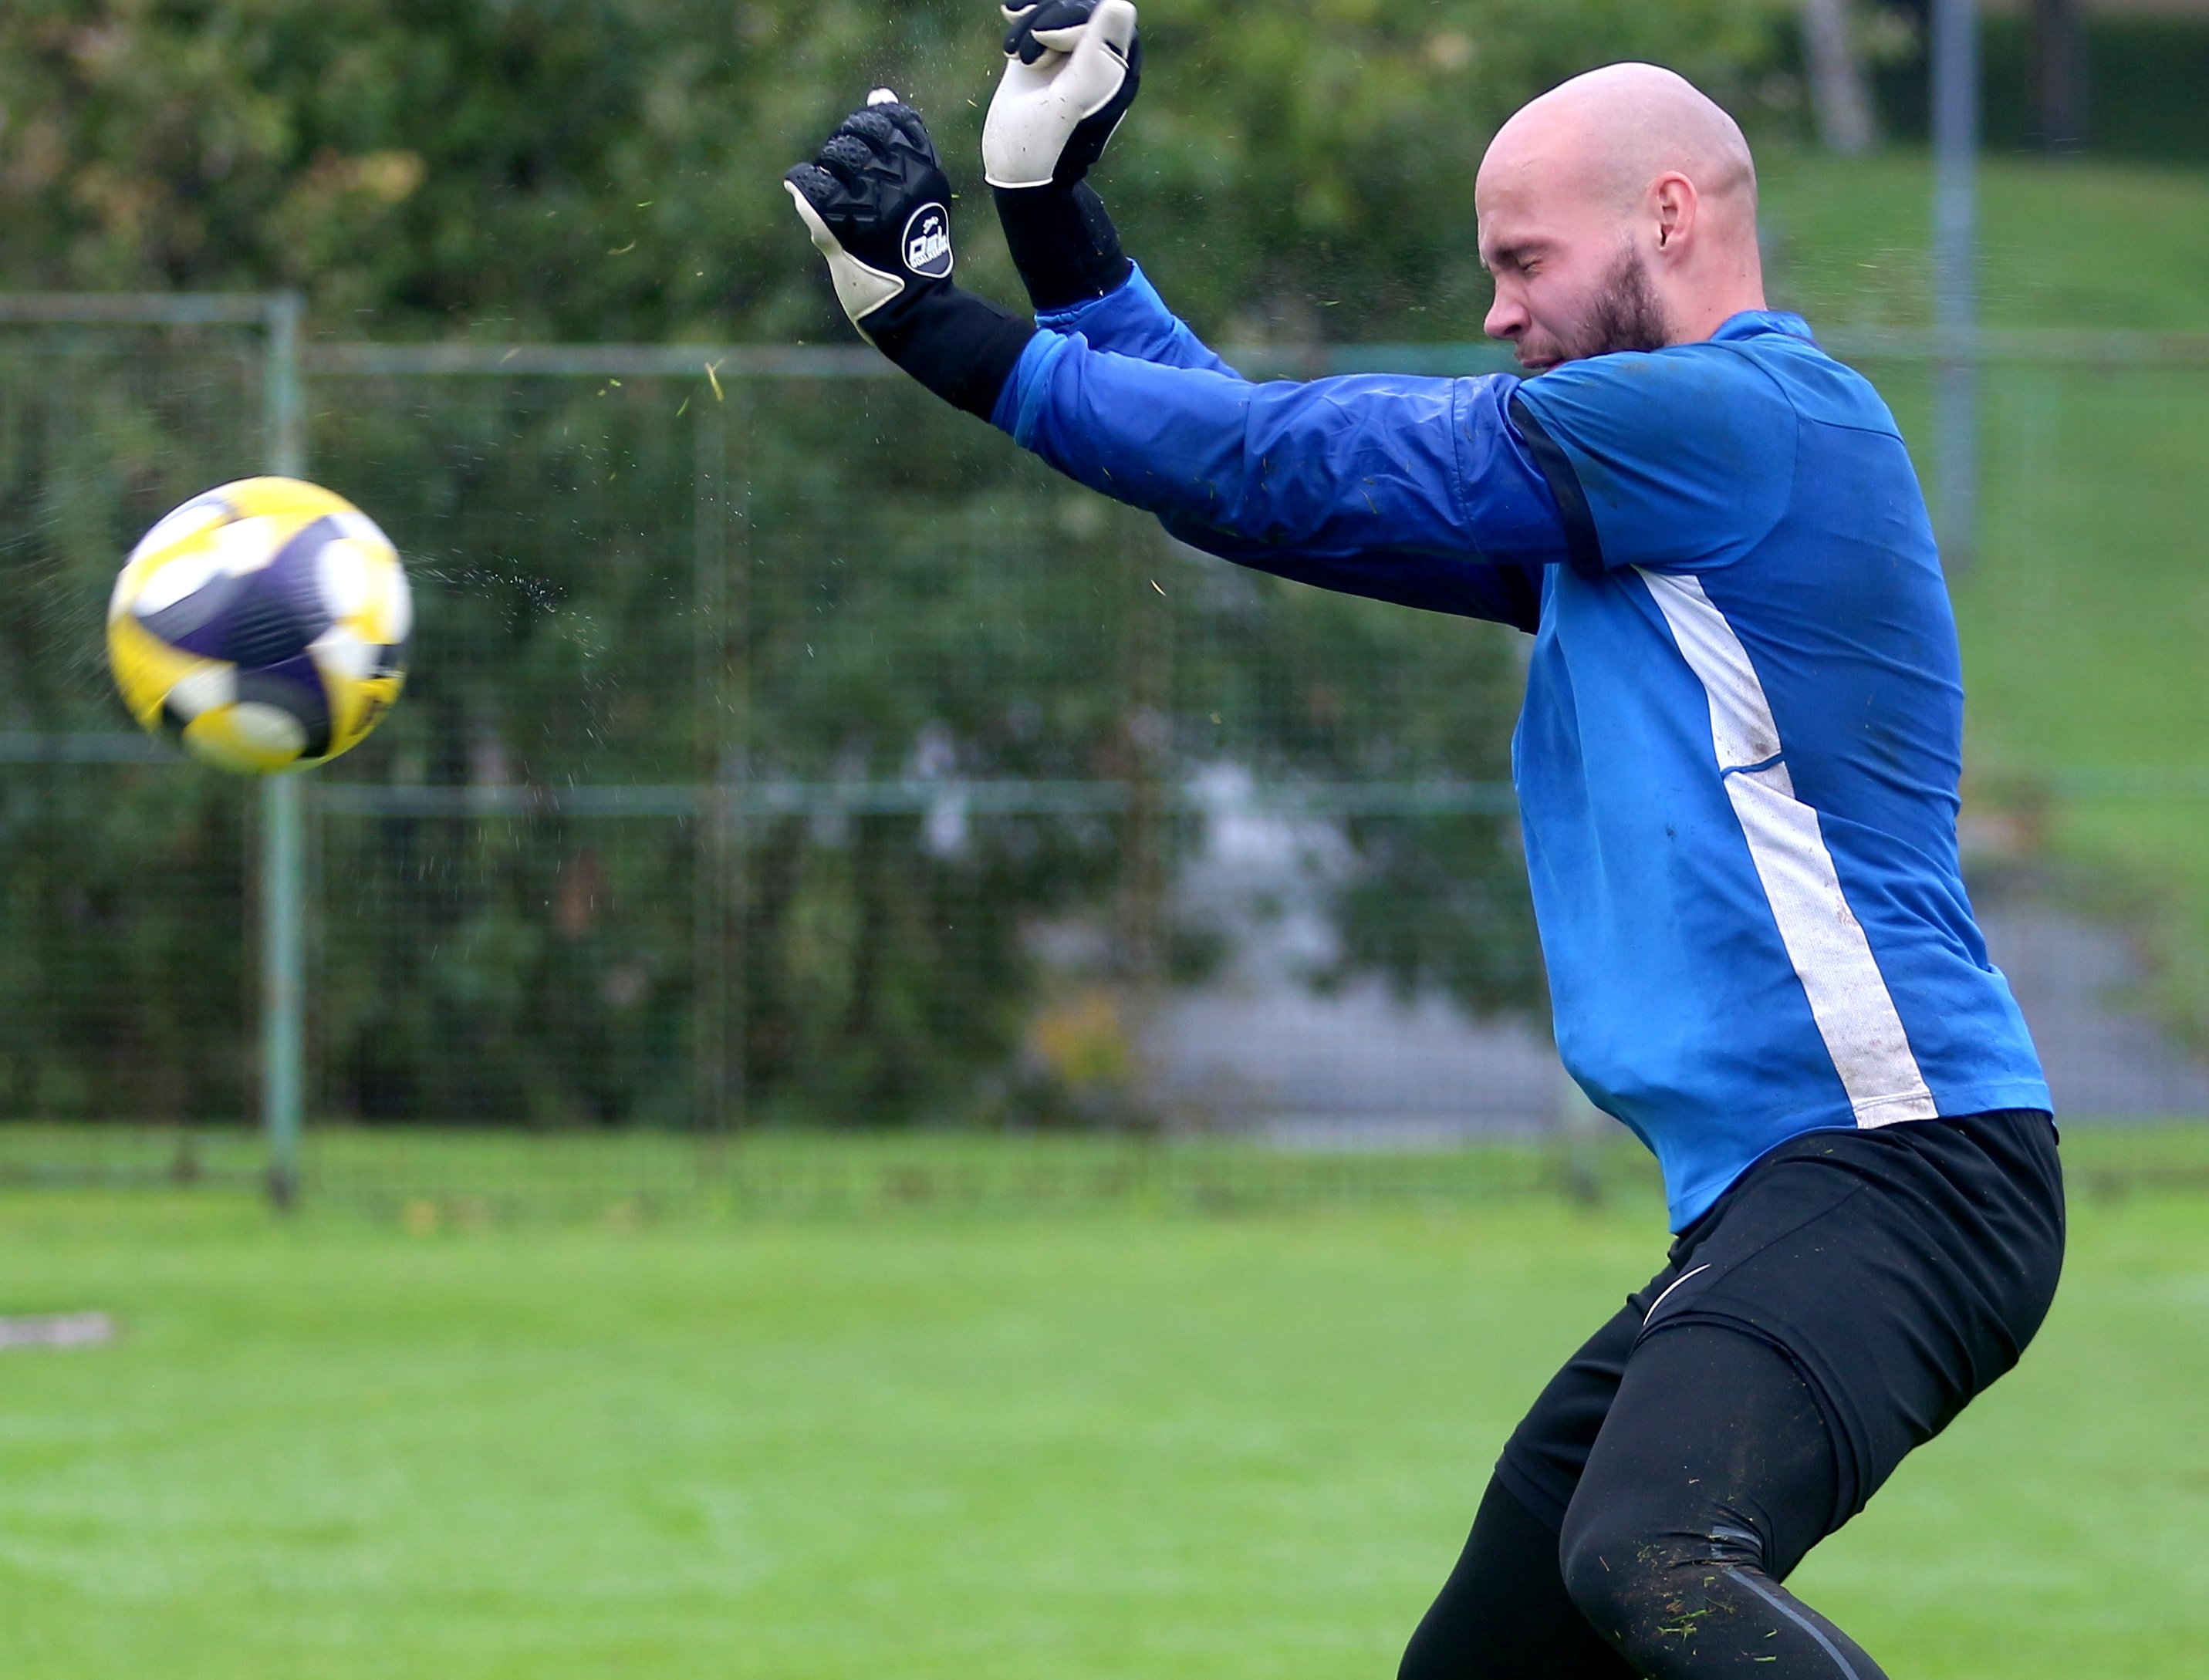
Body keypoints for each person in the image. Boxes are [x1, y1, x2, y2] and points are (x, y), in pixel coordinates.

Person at [784, 8, 2065, 1675]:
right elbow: (1250, 472)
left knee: (1653, 1554)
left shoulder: (1741, 424)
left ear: (1667, 218)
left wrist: (938, 329)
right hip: (1783, 1192)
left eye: (1523, 258)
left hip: (1903, 1165)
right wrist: (1050, 216)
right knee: (1486, 1660)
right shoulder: (1644, 500)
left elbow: (1271, 461)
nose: (1495, 307)